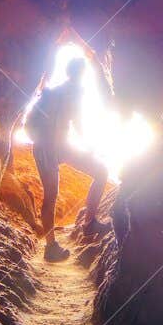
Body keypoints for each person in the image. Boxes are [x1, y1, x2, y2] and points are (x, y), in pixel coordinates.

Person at [23, 56, 107, 262]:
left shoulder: (58, 91)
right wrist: (88, 145)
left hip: (53, 145)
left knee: (99, 172)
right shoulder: (73, 91)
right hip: (50, 147)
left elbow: (73, 120)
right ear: (79, 72)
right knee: (54, 194)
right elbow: (77, 121)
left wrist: (85, 145)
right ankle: (54, 245)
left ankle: (87, 225)